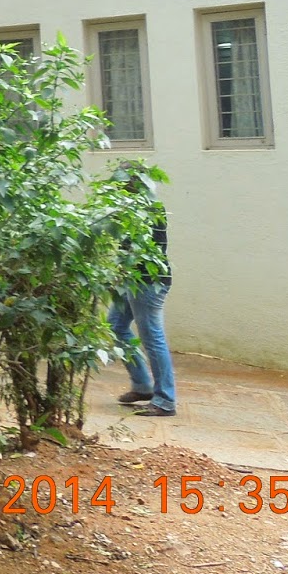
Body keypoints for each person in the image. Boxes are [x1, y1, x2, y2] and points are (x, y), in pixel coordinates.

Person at [109, 168, 176, 418]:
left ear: (133, 184)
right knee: (115, 326)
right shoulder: (132, 209)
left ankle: (165, 400)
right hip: (131, 280)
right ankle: (143, 386)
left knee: (152, 338)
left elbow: (141, 251)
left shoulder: (147, 210)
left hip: (147, 282)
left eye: (122, 183)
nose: (117, 188)